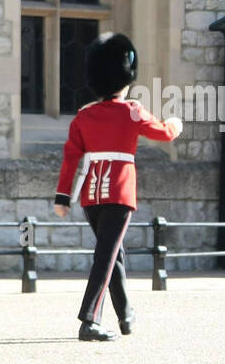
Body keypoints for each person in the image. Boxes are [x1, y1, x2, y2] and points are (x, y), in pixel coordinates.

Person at [53, 32, 183, 341]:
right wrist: (176, 124)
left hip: (91, 196)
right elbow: (163, 134)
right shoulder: (132, 111)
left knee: (113, 253)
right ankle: (89, 320)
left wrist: (62, 198)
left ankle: (125, 315)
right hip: (120, 193)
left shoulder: (84, 116)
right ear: (125, 80)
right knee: (106, 256)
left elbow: (70, 160)